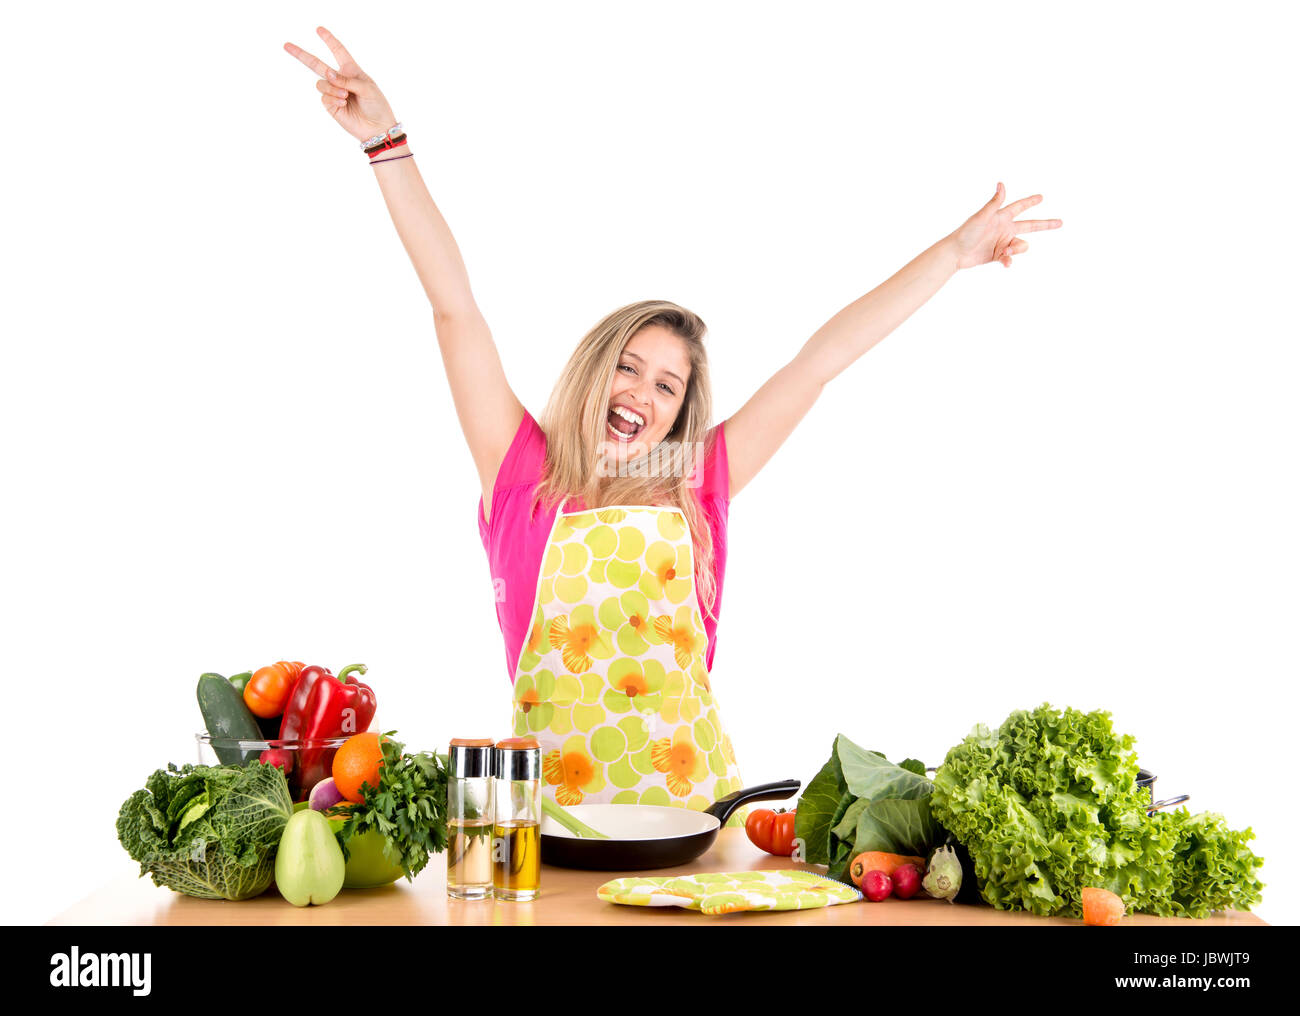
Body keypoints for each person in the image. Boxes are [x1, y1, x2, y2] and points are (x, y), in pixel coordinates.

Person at [285, 26, 1062, 820]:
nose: (641, 393)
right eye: (627, 366)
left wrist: (952, 255)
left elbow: (820, 360)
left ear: (677, 412)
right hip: (543, 825)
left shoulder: (699, 480)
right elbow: (455, 306)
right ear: (595, 369)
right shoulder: (519, 472)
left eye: (666, 384)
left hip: (698, 817)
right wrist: (387, 143)